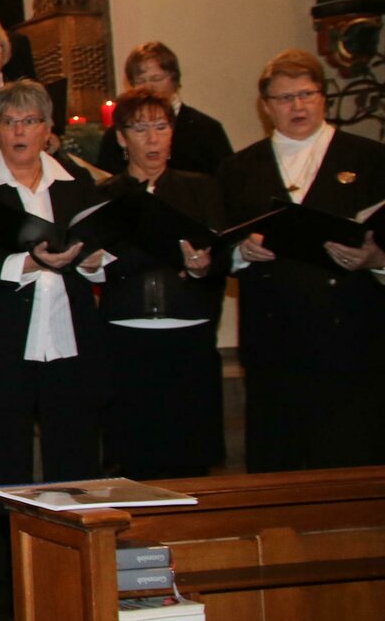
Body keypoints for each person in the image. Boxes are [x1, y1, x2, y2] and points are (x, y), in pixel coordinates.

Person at [0, 80, 108, 612]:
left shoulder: (76, 184)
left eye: (30, 121)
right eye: (10, 122)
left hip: (68, 350)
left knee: (75, 477)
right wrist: (29, 264)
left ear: (48, 131)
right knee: (6, 484)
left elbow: (106, 250)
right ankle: (14, 601)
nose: (20, 131)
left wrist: (89, 260)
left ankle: (77, 590)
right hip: (0, 354)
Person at [217, 48, 385, 472]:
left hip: (349, 343)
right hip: (276, 346)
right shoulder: (240, 168)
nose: (298, 106)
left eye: (307, 94)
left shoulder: (369, 159)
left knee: (350, 467)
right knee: (281, 468)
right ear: (266, 106)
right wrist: (241, 252)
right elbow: (215, 247)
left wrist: (374, 259)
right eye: (285, 98)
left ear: (323, 97)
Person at [96, 88, 226, 480]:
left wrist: (204, 266)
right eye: (139, 129)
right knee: (132, 463)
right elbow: (99, 261)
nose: (152, 139)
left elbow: (221, 254)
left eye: (161, 126)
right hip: (126, 339)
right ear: (121, 137)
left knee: (191, 461)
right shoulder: (104, 196)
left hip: (187, 338)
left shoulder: (201, 188)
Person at [93, 41, 233, 176]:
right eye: (140, 81)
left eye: (156, 79)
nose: (149, 87)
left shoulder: (205, 130)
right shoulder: (120, 133)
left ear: (174, 79)